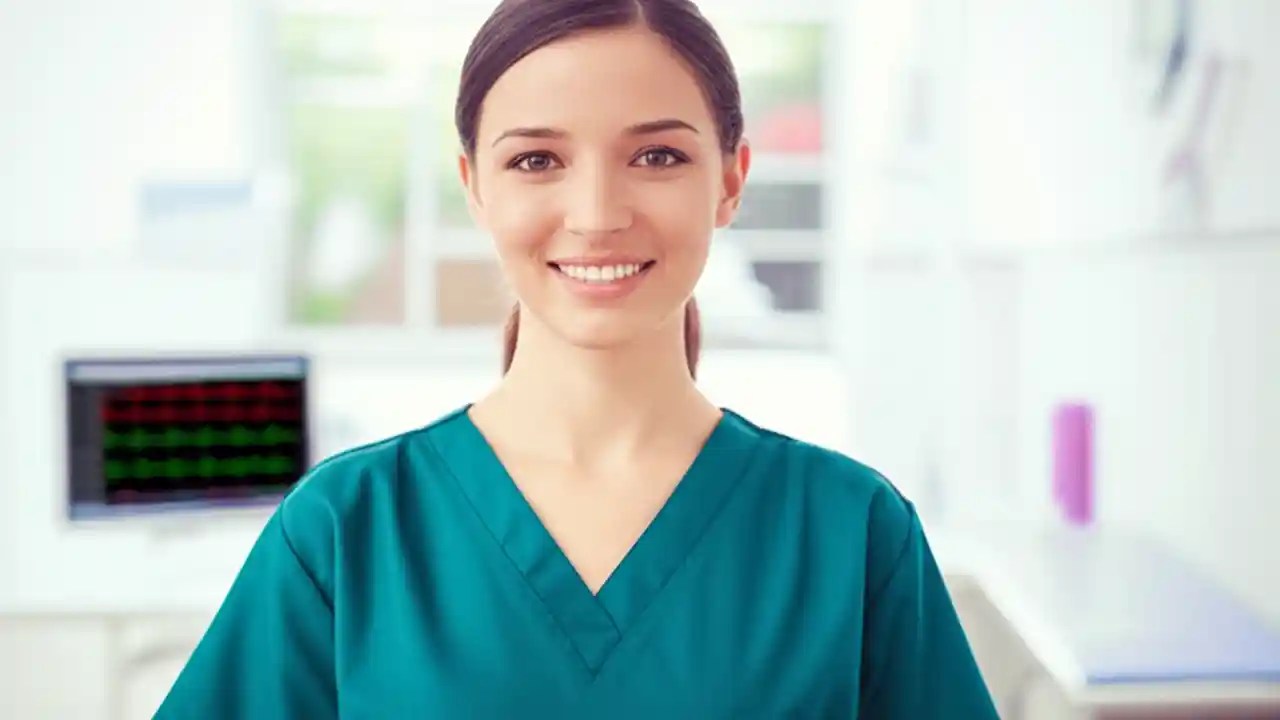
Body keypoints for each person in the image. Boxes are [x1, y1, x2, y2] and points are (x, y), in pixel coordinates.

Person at [157, 0, 999, 717]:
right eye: (536, 160)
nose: (596, 213)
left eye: (657, 156)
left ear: (732, 180)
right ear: (475, 185)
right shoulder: (351, 528)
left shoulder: (850, 533)